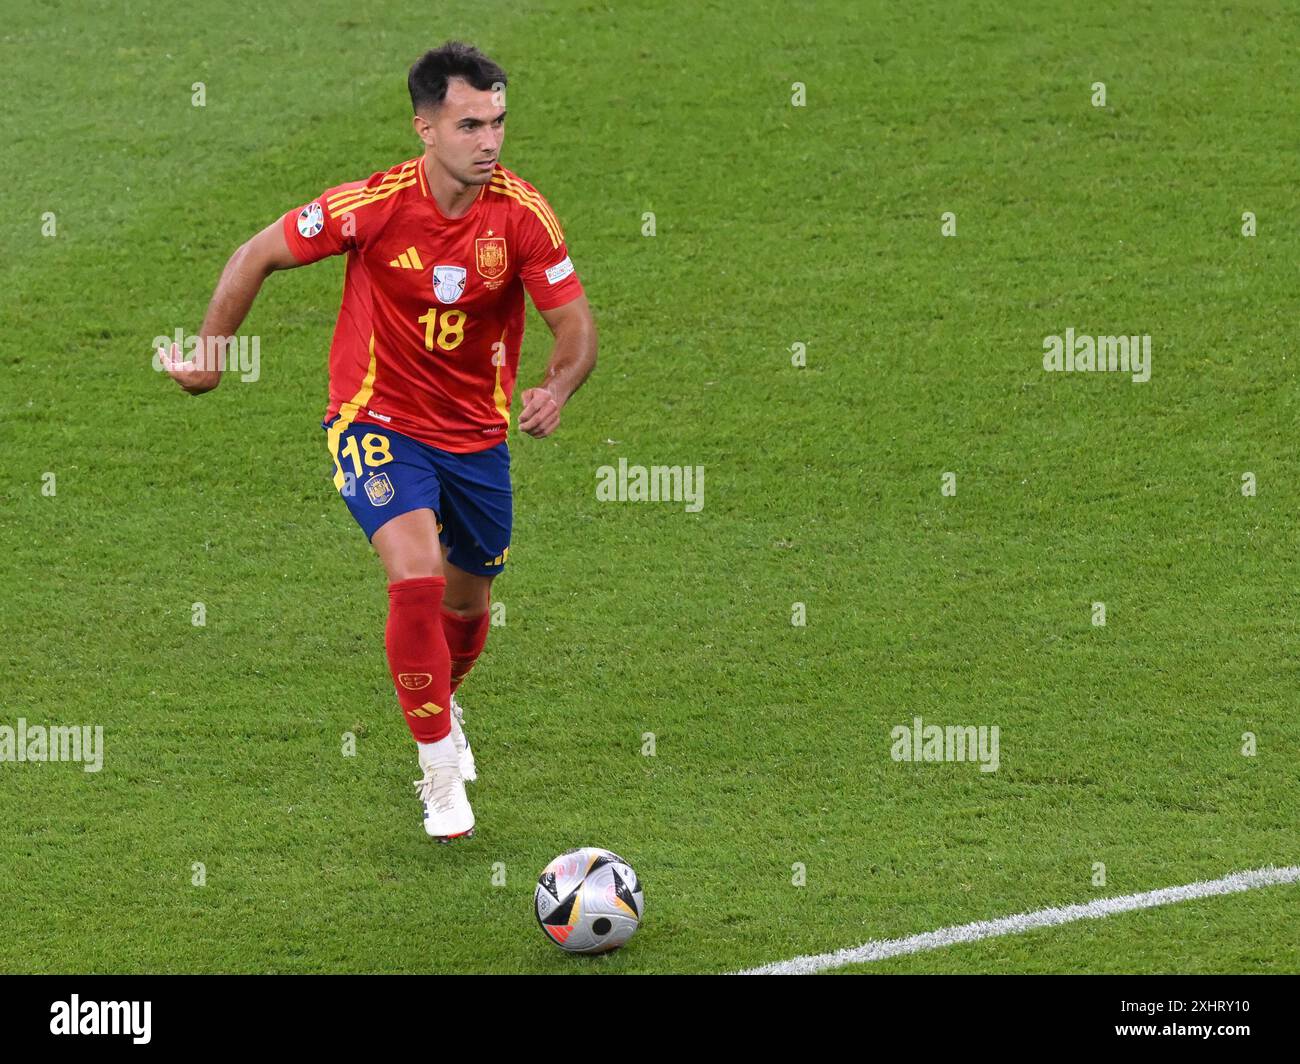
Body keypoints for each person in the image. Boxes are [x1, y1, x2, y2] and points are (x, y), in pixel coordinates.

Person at [158, 41, 598, 842]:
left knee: (467, 609)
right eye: (470, 125)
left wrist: (556, 386)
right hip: (375, 421)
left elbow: (575, 325)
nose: (490, 141)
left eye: (498, 121)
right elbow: (256, 253)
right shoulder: (374, 205)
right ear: (425, 128)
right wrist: (211, 359)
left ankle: (443, 709)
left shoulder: (523, 216)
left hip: (474, 441)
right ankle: (437, 776)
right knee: (418, 575)